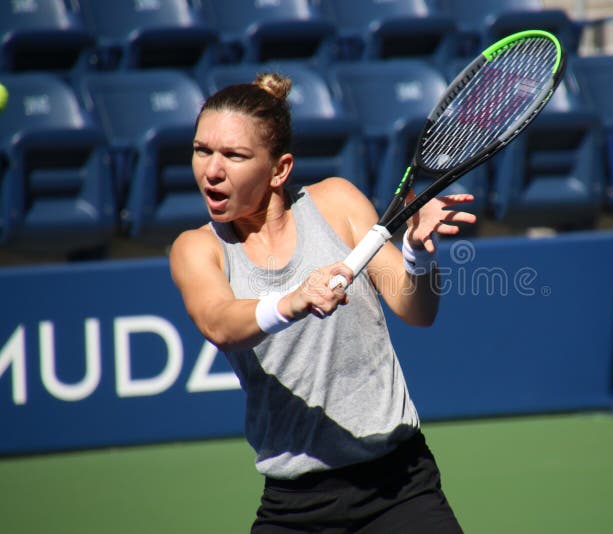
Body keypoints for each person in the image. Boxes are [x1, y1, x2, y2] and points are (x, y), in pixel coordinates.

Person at [169, 72, 476, 533]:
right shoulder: (197, 249)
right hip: (296, 508)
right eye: (202, 150)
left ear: (279, 169)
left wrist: (413, 253)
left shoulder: (337, 202)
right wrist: (295, 300)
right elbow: (220, 324)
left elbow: (417, 312)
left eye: (234, 155)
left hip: (400, 486)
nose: (212, 170)